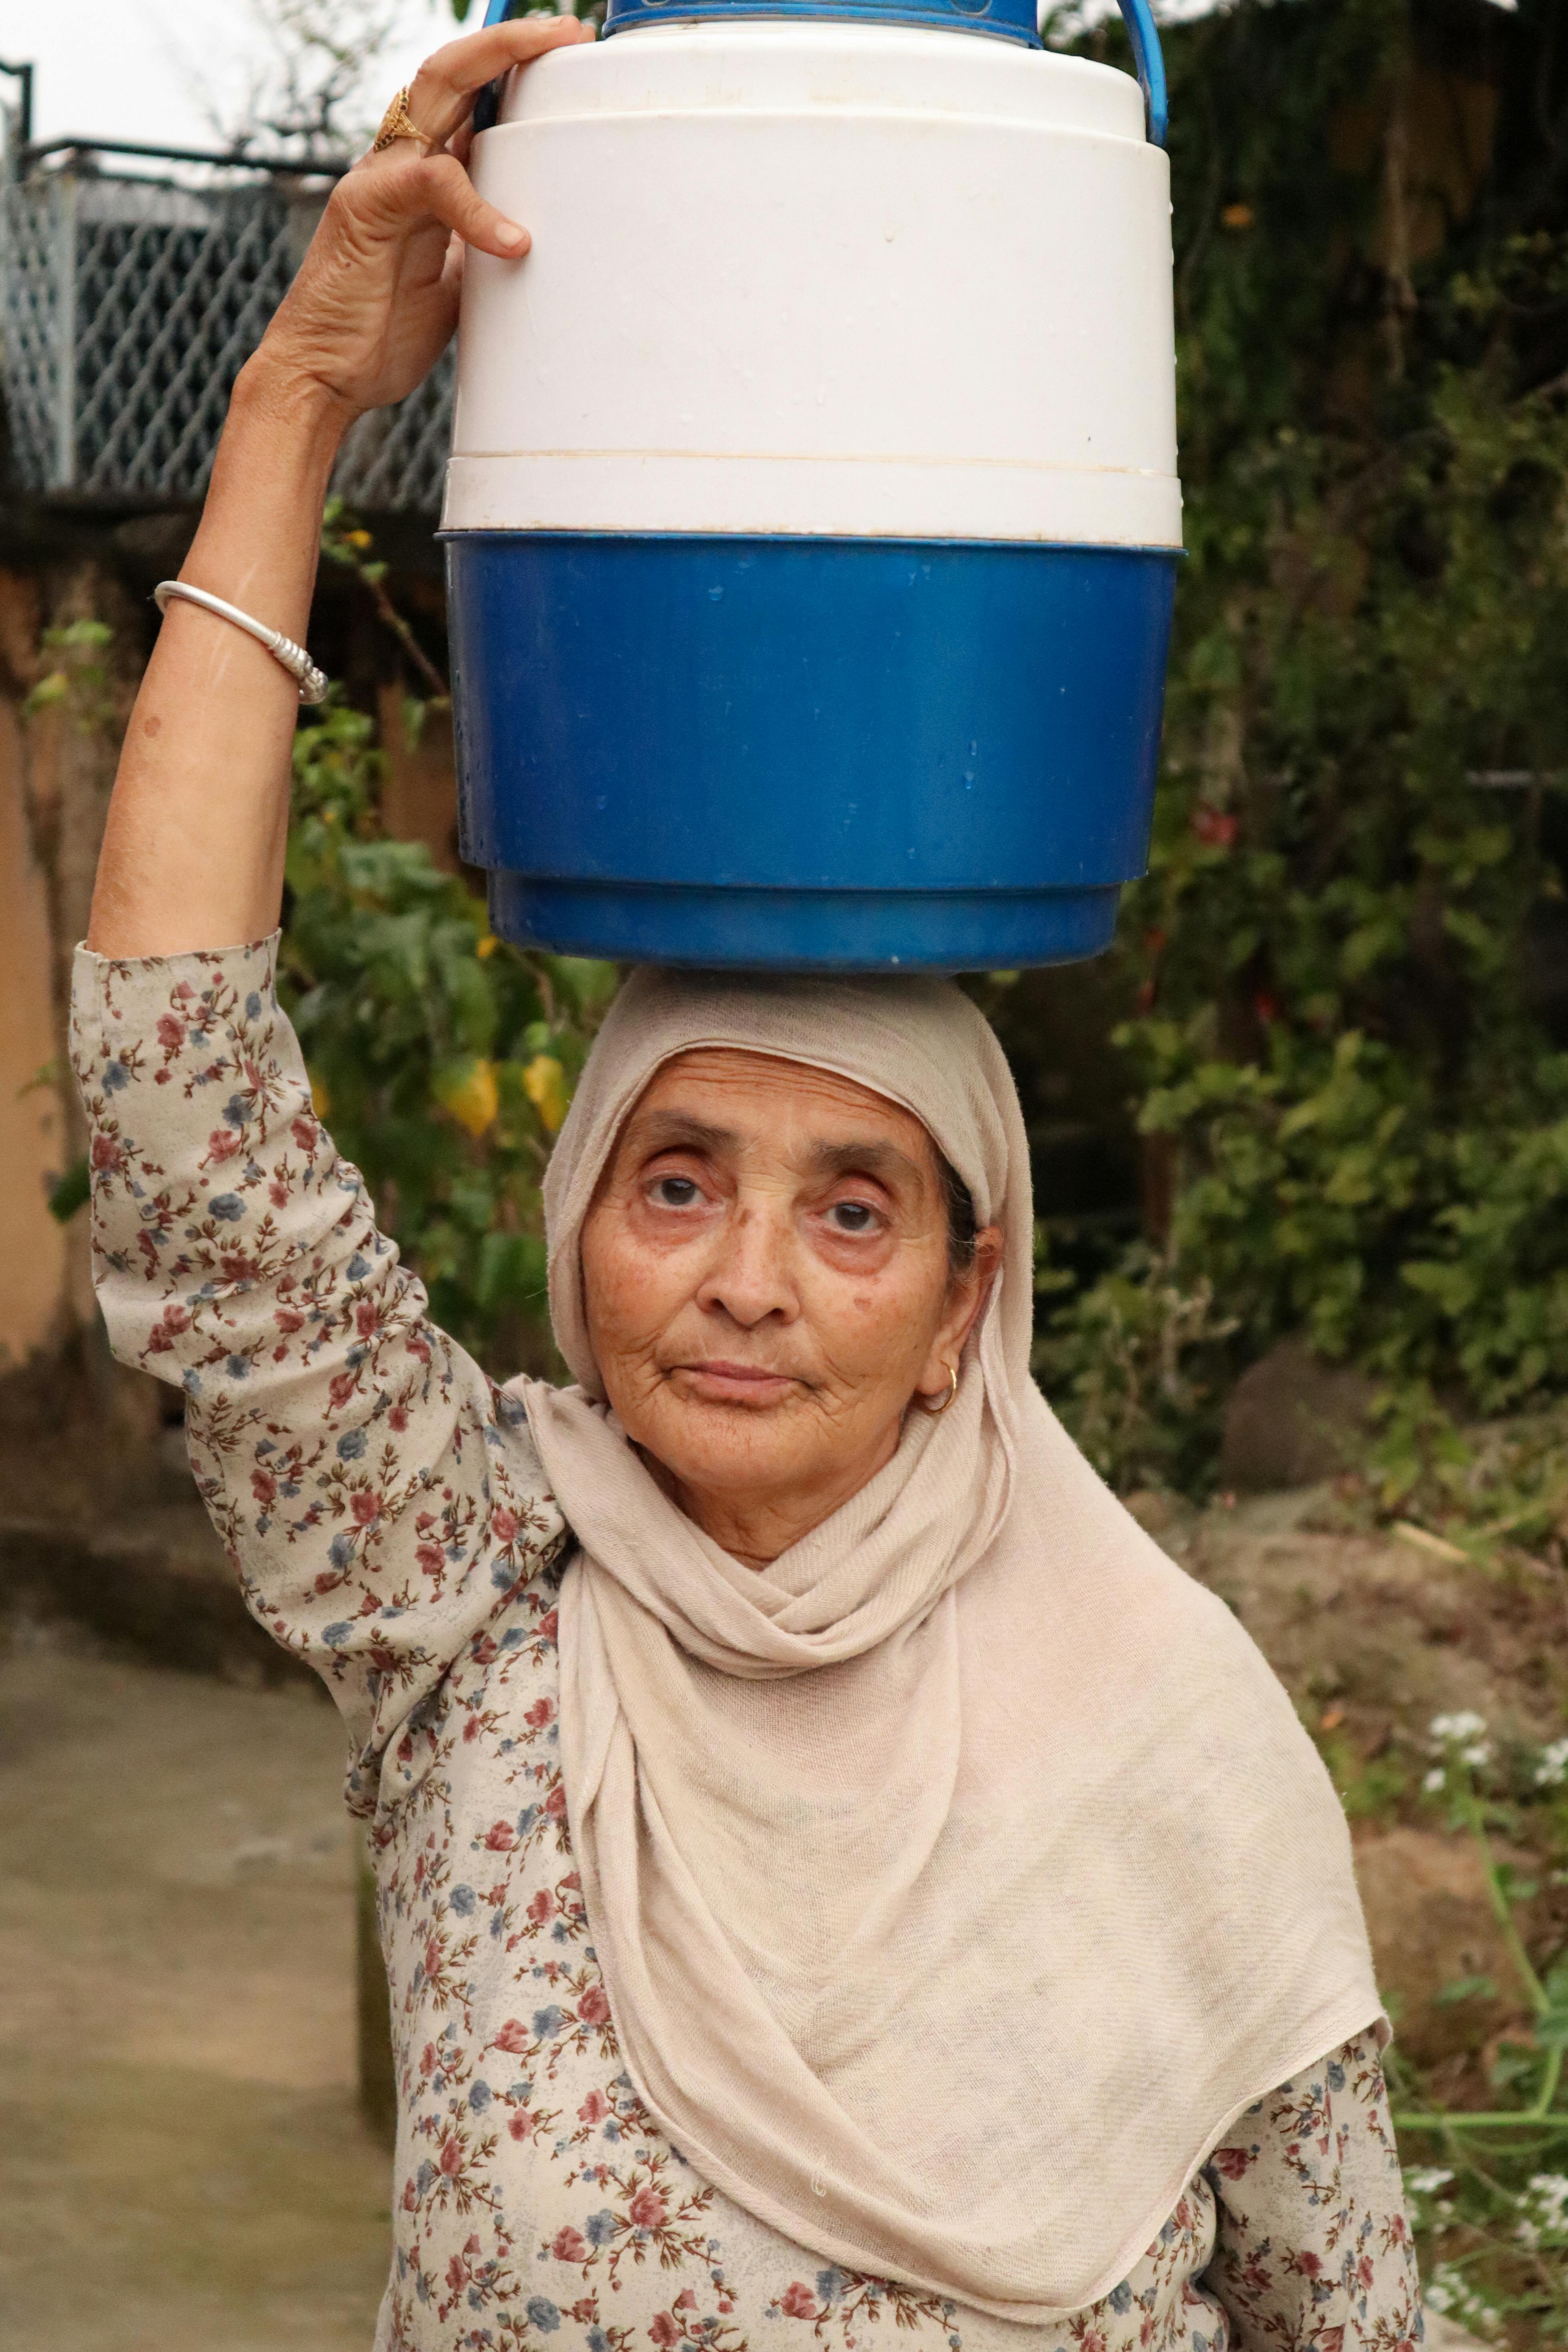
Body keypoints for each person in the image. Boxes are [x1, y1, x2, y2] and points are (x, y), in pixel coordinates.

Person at [73, 18, 1420, 2352]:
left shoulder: (1168, 1737)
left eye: (854, 1210)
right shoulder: (485, 1626)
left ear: (965, 1304)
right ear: (578, 1231)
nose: (751, 1284)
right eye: (675, 1182)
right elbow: (180, 1103)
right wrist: (304, 392)